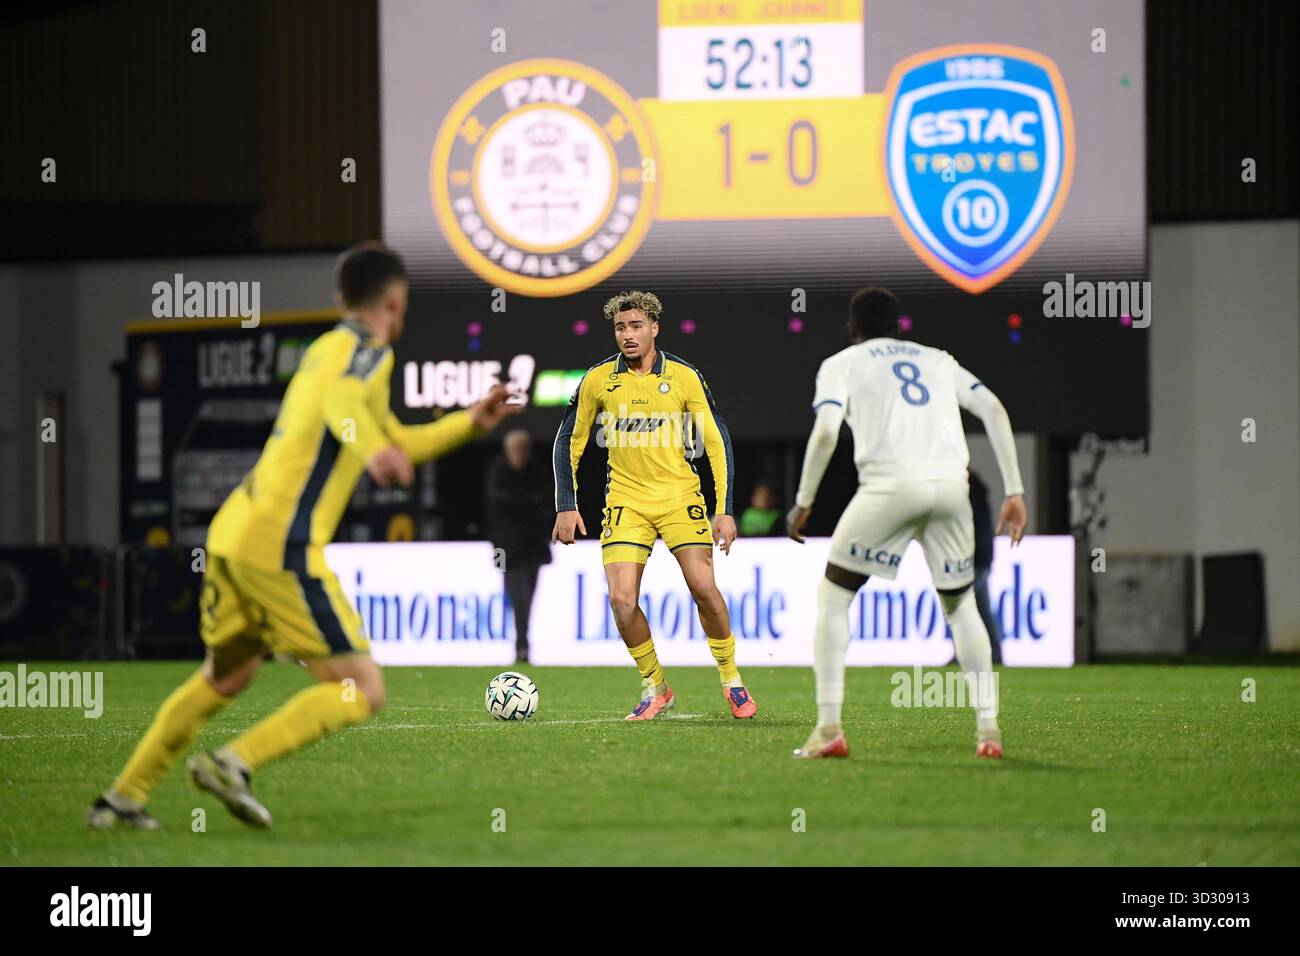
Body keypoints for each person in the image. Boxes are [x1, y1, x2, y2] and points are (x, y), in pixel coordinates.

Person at [88, 241, 521, 830]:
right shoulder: (370, 352)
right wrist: (370, 452)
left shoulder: (325, 349)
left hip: (234, 533)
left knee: (226, 676)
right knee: (362, 690)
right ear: (395, 301)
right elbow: (352, 414)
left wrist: (467, 423)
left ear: (342, 298)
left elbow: (392, 436)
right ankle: (234, 764)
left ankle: (122, 799)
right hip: (280, 546)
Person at [787, 287, 1026, 760]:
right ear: (900, 326)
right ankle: (989, 732)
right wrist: (1015, 490)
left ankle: (829, 728)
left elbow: (827, 430)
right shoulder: (938, 359)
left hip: (888, 489)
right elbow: (994, 409)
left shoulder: (842, 363)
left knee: (834, 597)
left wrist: (803, 501)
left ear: (853, 329)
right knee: (961, 608)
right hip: (951, 491)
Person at [551, 291, 757, 720]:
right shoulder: (597, 380)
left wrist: (725, 508)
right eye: (621, 328)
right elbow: (568, 441)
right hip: (626, 502)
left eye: (636, 326)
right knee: (621, 600)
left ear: (654, 328)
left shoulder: (683, 376)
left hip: (681, 498)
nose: (628, 335)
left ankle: (731, 679)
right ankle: (655, 686)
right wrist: (566, 504)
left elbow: (717, 442)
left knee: (704, 590)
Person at [486, 429, 553, 663]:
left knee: (528, 596)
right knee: (516, 595)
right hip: (504, 547)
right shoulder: (498, 472)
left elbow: (544, 503)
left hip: (532, 545)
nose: (520, 453)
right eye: (516, 449)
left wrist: (522, 506)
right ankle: (521, 644)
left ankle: (523, 642)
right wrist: (527, 505)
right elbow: (497, 508)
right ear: (508, 451)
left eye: (523, 449)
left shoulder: (537, 472)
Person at [968, 470, 1005, 665]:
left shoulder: (968, 491)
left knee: (963, 607)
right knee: (981, 608)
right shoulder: (977, 491)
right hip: (982, 557)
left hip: (973, 559)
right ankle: (995, 653)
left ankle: (966, 653)